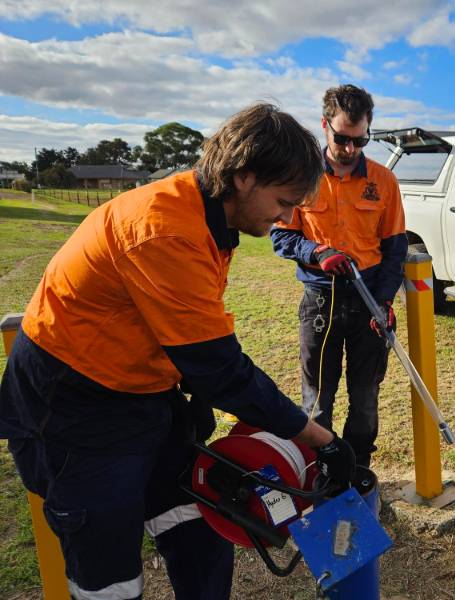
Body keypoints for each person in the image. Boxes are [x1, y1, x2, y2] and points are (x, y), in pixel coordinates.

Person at [0, 103, 356, 600]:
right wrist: (319, 439)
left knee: (201, 519)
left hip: (146, 391)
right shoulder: (165, 228)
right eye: (283, 199)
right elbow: (218, 367)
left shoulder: (210, 218)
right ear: (244, 177)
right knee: (109, 570)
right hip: (74, 402)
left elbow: (193, 344)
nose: (288, 216)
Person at [271, 84, 407, 468]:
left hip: (368, 301)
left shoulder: (384, 182)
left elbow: (395, 248)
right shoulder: (301, 177)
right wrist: (316, 251)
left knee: (365, 395)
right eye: (342, 138)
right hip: (321, 299)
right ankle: (321, 465)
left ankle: (357, 466)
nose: (350, 149)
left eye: (359, 140)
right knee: (318, 394)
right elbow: (280, 236)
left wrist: (383, 302)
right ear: (324, 126)